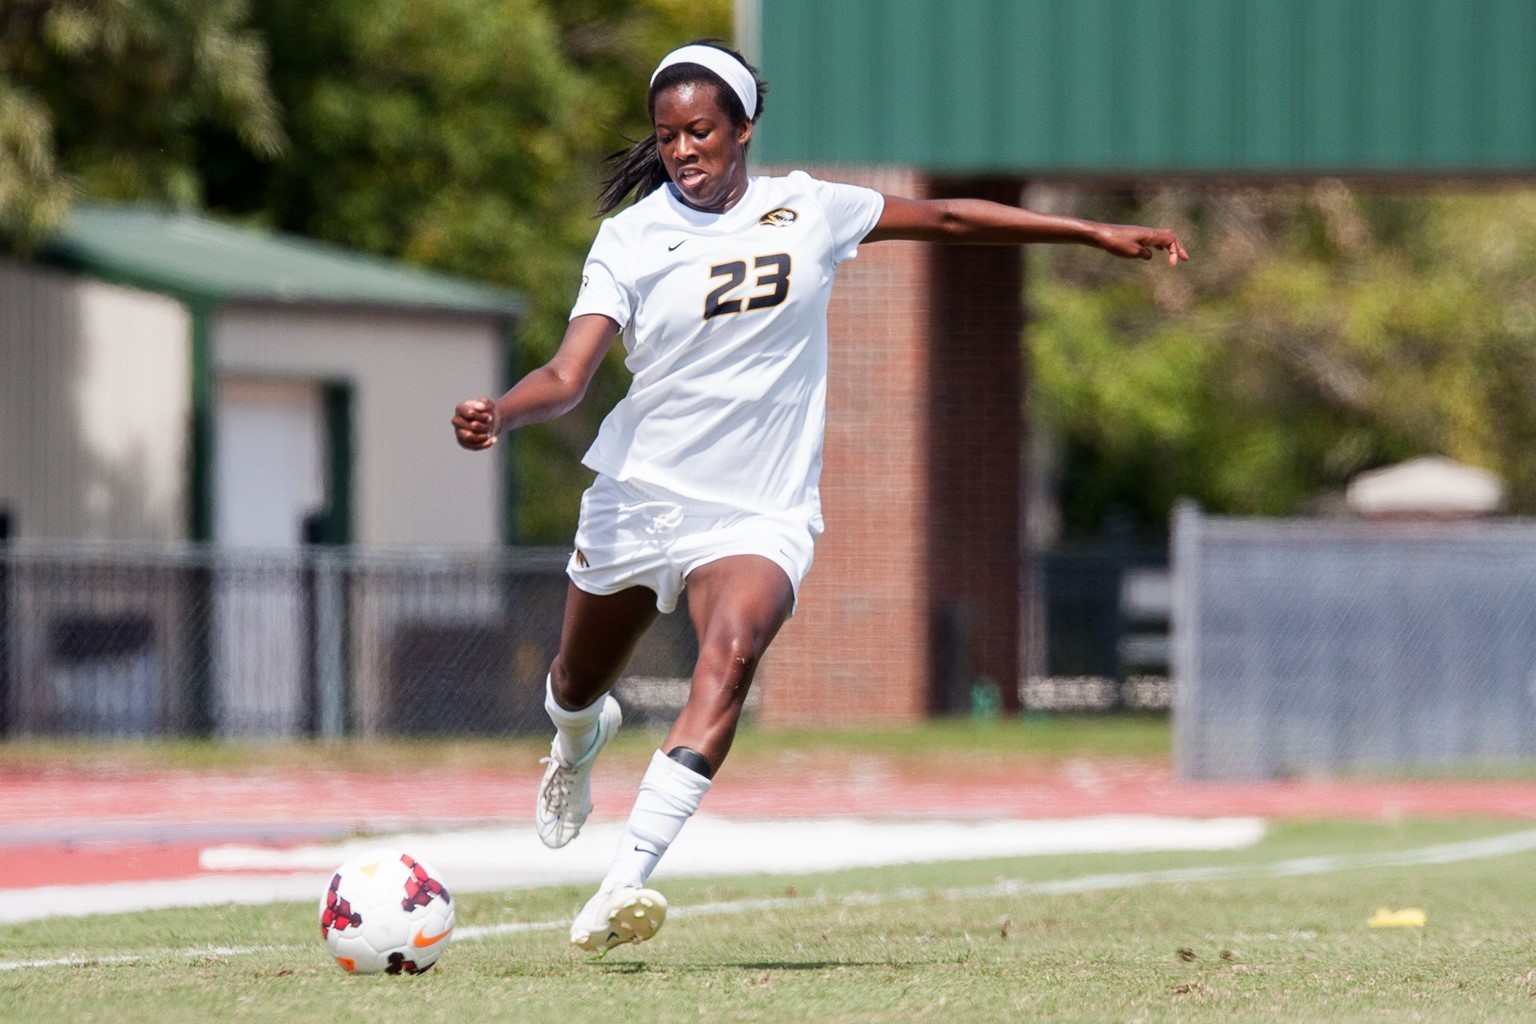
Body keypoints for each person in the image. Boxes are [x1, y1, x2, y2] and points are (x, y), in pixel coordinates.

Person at [451, 40, 1188, 955]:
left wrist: (1091, 234)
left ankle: (623, 883)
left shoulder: (811, 208)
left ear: (744, 127)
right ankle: (573, 743)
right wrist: (502, 412)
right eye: (668, 135)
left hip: (760, 512)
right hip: (640, 499)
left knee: (731, 652)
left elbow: (951, 220)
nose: (683, 150)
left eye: (703, 132)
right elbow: (567, 375)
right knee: (574, 684)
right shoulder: (633, 236)